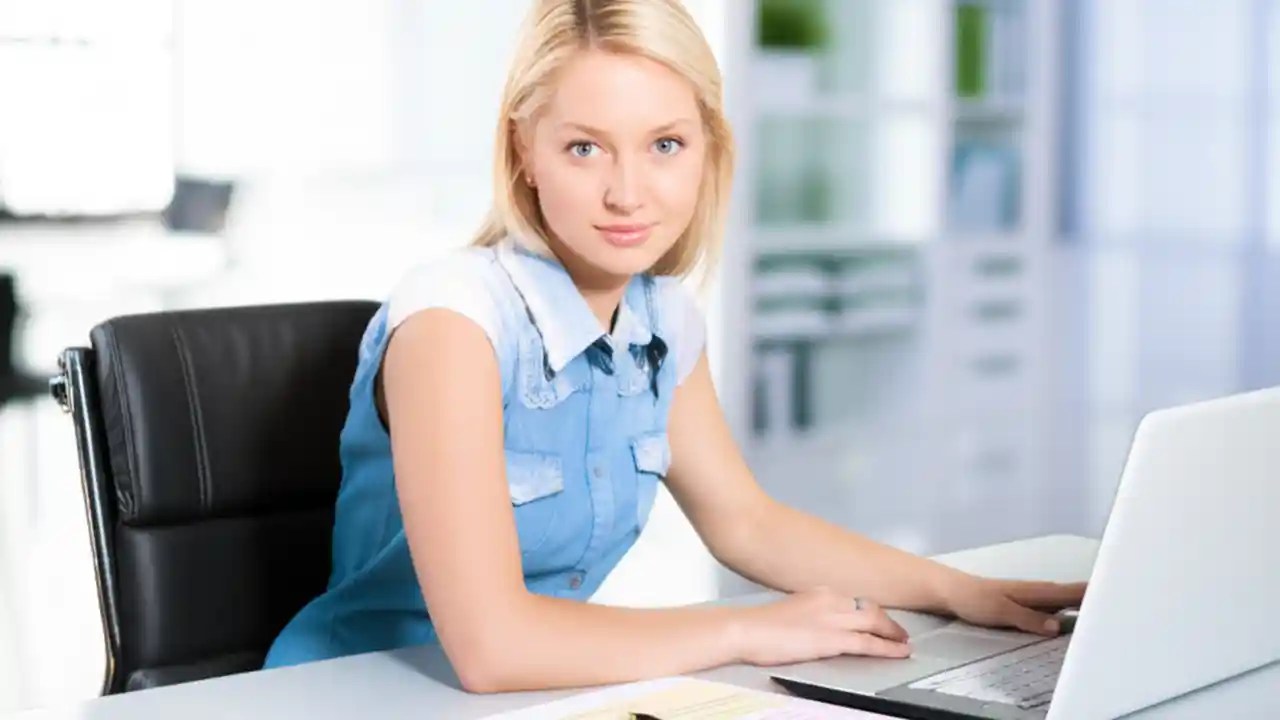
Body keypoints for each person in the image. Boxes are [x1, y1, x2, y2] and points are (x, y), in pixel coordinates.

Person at [263, 0, 1085, 692]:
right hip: (358, 693)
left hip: (542, 696)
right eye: (585, 147)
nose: (628, 192)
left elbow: (749, 525)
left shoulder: (663, 322)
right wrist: (745, 630)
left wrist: (954, 590)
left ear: (708, 151)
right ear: (525, 148)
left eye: (665, 145)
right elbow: (493, 646)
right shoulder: (453, 322)